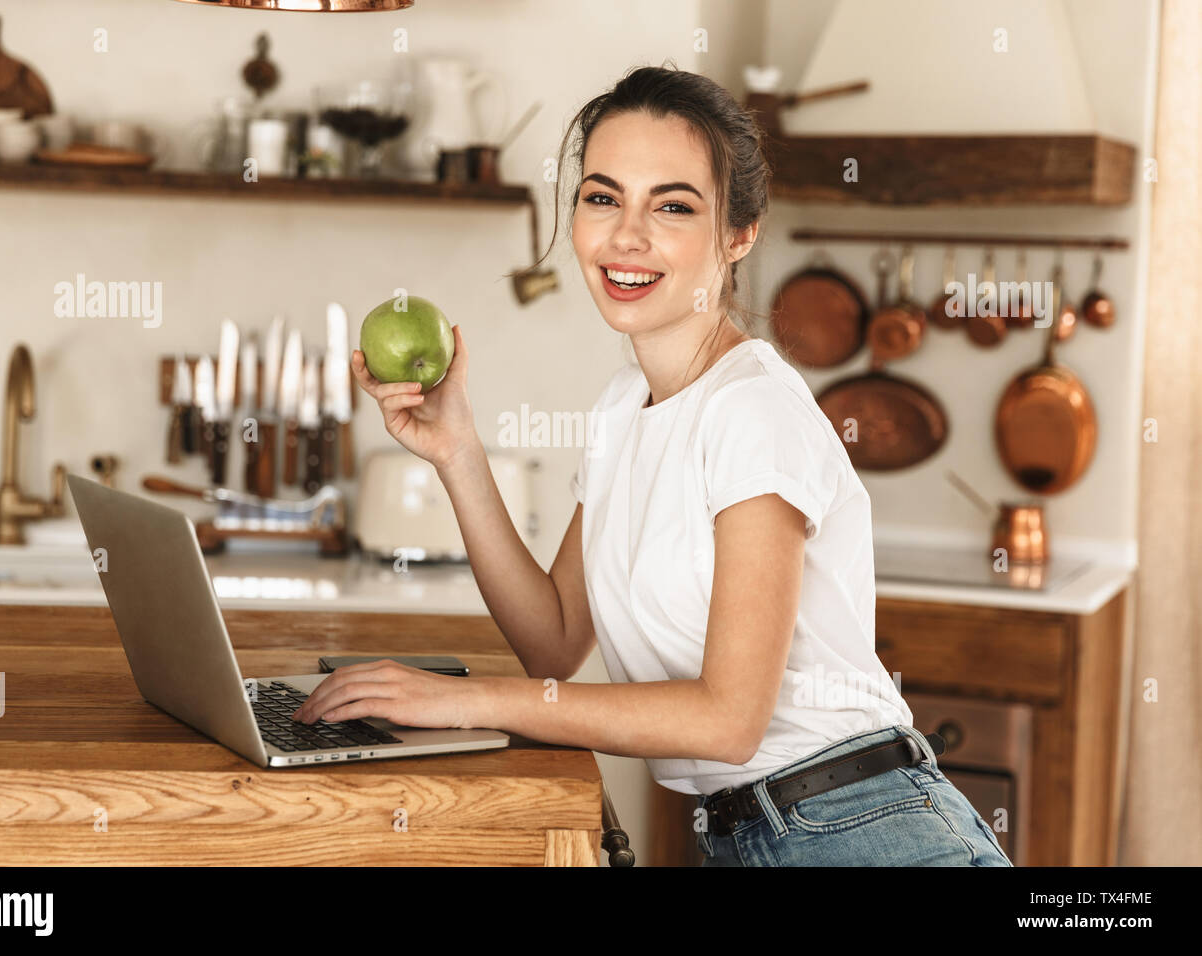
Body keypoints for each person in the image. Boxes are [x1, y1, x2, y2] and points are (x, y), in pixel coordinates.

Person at [294, 63, 1012, 867]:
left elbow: (728, 720)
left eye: (672, 206)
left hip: (869, 832)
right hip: (760, 833)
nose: (626, 236)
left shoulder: (752, 409)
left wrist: (462, 701)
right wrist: (456, 449)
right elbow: (555, 640)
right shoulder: (622, 403)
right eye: (603, 198)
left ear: (738, 234)